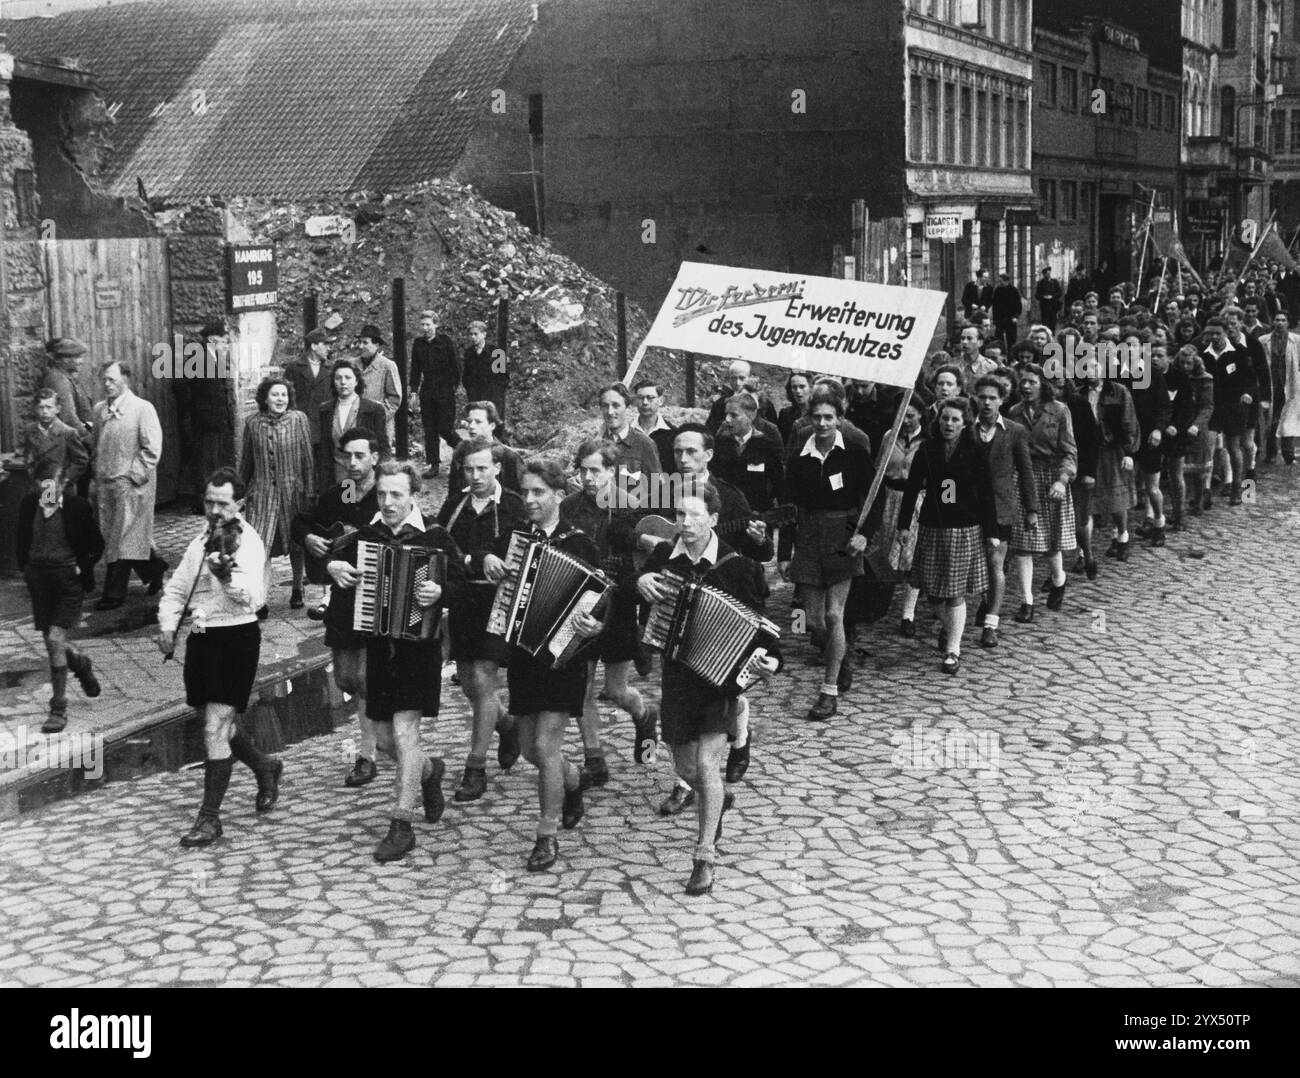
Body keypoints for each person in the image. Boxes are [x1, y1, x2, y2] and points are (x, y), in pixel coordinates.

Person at [637, 479, 779, 895]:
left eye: (692, 515)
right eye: (678, 515)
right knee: (683, 768)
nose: (683, 523)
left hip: (719, 682)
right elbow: (637, 585)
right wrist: (640, 583)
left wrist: (772, 660)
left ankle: (704, 857)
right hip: (678, 674)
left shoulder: (737, 566)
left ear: (713, 519)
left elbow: (762, 628)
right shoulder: (665, 556)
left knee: (705, 765)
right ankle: (713, 803)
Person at [334, 462, 468, 861]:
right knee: (384, 737)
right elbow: (334, 559)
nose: (388, 502)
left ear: (414, 495)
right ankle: (430, 772)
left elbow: (465, 589)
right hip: (378, 648)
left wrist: (440, 592)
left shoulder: (436, 537)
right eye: (382, 494)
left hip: (420, 649)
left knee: (406, 733)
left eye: (396, 494)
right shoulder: (368, 535)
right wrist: (332, 567)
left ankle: (401, 823)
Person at [484, 460, 605, 872]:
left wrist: (593, 627)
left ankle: (545, 834)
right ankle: (572, 783)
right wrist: (487, 560)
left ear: (557, 495)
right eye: (526, 492)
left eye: (539, 493)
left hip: (562, 659)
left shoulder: (581, 544)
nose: (530, 500)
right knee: (533, 750)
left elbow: (603, 605)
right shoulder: (514, 539)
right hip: (523, 654)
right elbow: (483, 560)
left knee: (545, 746)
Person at [157, 467, 280, 848]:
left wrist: (226, 579)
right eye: (209, 502)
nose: (214, 510)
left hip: (237, 638)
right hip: (201, 637)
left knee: (215, 726)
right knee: (210, 720)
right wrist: (166, 623)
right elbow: (178, 589)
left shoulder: (250, 543)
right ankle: (264, 765)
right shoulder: (200, 542)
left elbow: (255, 598)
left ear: (239, 504)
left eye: (222, 503)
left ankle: (209, 819)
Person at [436, 438, 528, 802]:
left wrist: (494, 561)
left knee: (482, 678)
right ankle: (507, 727)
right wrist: (476, 559)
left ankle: (475, 767)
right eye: (468, 469)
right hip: (463, 601)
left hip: (499, 602)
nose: (475, 476)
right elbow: (441, 548)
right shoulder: (453, 506)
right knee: (472, 688)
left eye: (482, 469)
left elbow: (523, 552)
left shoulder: (515, 507)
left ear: (497, 468)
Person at [291, 429, 384, 788]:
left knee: (363, 678)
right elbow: (301, 521)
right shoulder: (341, 493)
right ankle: (382, 731)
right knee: (345, 678)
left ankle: (368, 754)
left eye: (361, 456)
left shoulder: (387, 493)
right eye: (348, 456)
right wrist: (314, 544)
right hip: (343, 596)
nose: (353, 463)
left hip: (378, 594)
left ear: (375, 457)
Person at [562, 440, 658, 782]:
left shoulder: (630, 507)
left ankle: (645, 714)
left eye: (596, 471)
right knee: (583, 687)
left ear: (612, 471)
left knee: (617, 690)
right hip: (581, 606)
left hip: (617, 607)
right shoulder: (569, 507)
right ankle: (595, 760)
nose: (588, 478)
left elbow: (642, 564)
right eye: (583, 470)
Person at [783, 387, 871, 719]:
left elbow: (871, 500)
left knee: (835, 615)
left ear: (839, 418)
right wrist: (783, 551)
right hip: (808, 537)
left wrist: (864, 535)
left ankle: (828, 690)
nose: (822, 423)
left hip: (842, 537)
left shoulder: (854, 454)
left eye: (829, 417)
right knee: (815, 621)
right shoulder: (798, 457)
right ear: (808, 418)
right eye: (816, 417)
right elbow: (789, 506)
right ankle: (841, 653)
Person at [895, 397, 994, 674]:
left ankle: (953, 650)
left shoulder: (975, 451)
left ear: (965, 424)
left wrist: (992, 532)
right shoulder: (928, 449)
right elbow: (912, 487)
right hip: (932, 526)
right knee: (932, 591)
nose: (948, 424)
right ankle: (951, 628)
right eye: (944, 419)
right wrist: (904, 526)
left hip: (963, 529)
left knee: (955, 594)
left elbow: (986, 494)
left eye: (955, 420)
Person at [16, 460, 104, 733]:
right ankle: (79, 662)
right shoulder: (30, 505)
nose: (47, 493)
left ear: (64, 484)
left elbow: (96, 545)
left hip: (67, 582)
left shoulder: (77, 508)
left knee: (55, 639)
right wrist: (27, 569)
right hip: (40, 582)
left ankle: (58, 708)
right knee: (52, 641)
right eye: (42, 487)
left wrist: (81, 567)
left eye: (52, 486)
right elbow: (21, 541)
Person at [91, 361, 167, 610]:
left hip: (132, 484)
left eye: (112, 379)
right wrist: (97, 476)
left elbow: (152, 448)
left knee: (121, 539)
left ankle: (114, 594)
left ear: (126, 379)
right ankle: (155, 567)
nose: (107, 384)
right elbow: (97, 446)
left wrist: (133, 476)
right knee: (115, 535)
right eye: (104, 379)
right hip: (106, 484)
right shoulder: (100, 410)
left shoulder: (142, 408)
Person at [969, 377, 1037, 649]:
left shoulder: (1014, 431)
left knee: (995, 565)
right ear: (975, 398)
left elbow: (1026, 469)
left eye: (992, 398)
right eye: (982, 397)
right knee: (966, 565)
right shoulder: (965, 429)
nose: (986, 402)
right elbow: (948, 474)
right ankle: (955, 620)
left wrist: (1031, 508)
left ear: (1001, 400)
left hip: (1000, 509)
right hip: (968, 509)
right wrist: (947, 501)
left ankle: (990, 623)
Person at [1007, 364, 1077, 620]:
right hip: (1022, 478)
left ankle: (1059, 579)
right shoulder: (1014, 412)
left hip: (1051, 478)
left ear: (1043, 385)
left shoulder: (1059, 410)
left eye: (1031, 382)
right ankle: (1027, 602)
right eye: (1022, 382)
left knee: (1050, 542)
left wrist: (1062, 479)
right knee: (1023, 543)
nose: (1025, 386)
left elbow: (1069, 451)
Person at [240, 376, 316, 611]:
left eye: (284, 394)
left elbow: (307, 458)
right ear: (264, 397)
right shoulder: (252, 423)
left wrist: (310, 491)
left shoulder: (298, 419)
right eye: (275, 394)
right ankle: (260, 597)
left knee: (296, 542)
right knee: (259, 545)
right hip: (262, 493)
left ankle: (297, 587)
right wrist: (239, 493)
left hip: (293, 492)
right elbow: (246, 461)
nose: (280, 399)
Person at [870, 399, 925, 638]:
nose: (906, 421)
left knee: (912, 558)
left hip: (916, 500)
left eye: (911, 416)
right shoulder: (889, 436)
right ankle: (881, 604)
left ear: (921, 415)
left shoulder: (927, 441)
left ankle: (908, 614)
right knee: (886, 553)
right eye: (903, 416)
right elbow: (879, 468)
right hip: (890, 497)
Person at [173, 321, 235, 514]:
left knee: (214, 462)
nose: (225, 345)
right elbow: (179, 384)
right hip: (203, 420)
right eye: (223, 341)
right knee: (204, 463)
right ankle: (202, 503)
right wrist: (194, 409)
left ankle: (212, 500)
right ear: (211, 339)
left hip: (216, 419)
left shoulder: (214, 356)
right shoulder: (197, 355)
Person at [1202, 317, 1259, 507]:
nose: (1215, 337)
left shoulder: (1239, 352)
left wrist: (1246, 394)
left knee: (1234, 447)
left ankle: (1237, 487)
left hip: (1234, 407)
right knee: (1208, 447)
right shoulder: (1204, 354)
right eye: (1211, 333)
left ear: (1226, 332)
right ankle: (1205, 490)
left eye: (1218, 333)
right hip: (1211, 407)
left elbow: (1250, 378)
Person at [1163, 346, 1216, 525]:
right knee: (1177, 471)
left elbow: (1207, 406)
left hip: (1195, 428)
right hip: (1178, 426)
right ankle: (1180, 509)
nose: (1186, 366)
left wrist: (1196, 425)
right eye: (1182, 363)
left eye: (1189, 363)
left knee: (1198, 470)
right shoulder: (1174, 378)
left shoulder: (1204, 379)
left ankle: (1199, 500)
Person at [1127, 348, 1173, 546]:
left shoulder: (1152, 373)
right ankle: (1119, 535)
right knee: (1123, 486)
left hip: (1149, 436)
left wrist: (1158, 430)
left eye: (1134, 345)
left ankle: (1158, 523)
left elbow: (1164, 406)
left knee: (1151, 487)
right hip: (1127, 437)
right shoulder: (1117, 373)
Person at [319, 359, 390, 486]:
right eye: (338, 378)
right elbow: (324, 450)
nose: (343, 382)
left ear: (356, 381)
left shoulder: (373, 409)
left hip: (367, 476)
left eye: (348, 377)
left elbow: (383, 447)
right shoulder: (326, 409)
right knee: (346, 503)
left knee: (363, 504)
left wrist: (381, 475)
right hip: (338, 475)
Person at [408, 310, 461, 477]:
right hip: (428, 391)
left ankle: (464, 452)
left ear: (436, 325)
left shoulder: (445, 342)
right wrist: (414, 392)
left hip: (445, 391)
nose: (425, 328)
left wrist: (453, 387)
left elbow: (456, 366)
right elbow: (415, 370)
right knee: (429, 429)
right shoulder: (418, 344)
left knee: (445, 428)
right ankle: (433, 464)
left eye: (428, 324)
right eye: (422, 325)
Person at [712, 392, 784, 512]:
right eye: (726, 415)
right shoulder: (719, 445)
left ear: (751, 415)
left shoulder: (767, 446)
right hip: (725, 514)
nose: (727, 420)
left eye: (733, 415)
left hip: (756, 514)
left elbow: (779, 485)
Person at [598, 382, 663, 505]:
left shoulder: (645, 444)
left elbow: (657, 491)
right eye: (605, 406)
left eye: (616, 405)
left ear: (627, 407)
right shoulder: (596, 444)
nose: (610, 412)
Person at [448, 401, 524, 494]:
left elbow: (522, 497)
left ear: (492, 425)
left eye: (478, 422)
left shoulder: (510, 457)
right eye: (469, 422)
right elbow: (453, 495)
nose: (471, 426)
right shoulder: (461, 454)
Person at [282, 328, 337, 458]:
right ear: (313, 346)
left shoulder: (332, 368)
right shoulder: (294, 368)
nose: (329, 348)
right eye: (325, 344)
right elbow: (287, 398)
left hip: (325, 429)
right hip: (300, 429)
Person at [24, 389, 89, 494]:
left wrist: (65, 479)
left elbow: (81, 461)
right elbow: (28, 456)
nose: (45, 411)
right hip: (38, 487)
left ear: (57, 409)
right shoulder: (30, 430)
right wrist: (33, 477)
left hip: (61, 489)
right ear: (35, 409)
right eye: (41, 407)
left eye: (49, 407)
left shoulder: (68, 432)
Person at [355, 325, 402, 447]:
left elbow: (394, 399)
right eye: (360, 342)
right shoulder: (352, 365)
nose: (360, 346)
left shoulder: (387, 366)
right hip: (355, 424)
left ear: (376, 345)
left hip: (380, 427)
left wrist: (378, 418)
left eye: (365, 343)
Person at [705, 360, 779, 435]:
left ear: (749, 378)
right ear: (729, 379)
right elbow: (709, 431)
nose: (737, 382)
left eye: (742, 378)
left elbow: (773, 430)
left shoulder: (764, 403)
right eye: (733, 378)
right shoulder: (720, 404)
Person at [1264, 311, 1299, 463]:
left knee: (1289, 418)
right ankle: (1270, 453)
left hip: (1290, 384)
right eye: (1277, 320)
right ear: (1273, 322)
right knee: (1270, 418)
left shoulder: (1296, 340)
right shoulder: (1264, 340)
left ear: (1288, 323)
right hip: (1271, 385)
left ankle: (1288, 453)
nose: (1279, 323)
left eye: (1283, 320)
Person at [461, 319, 508, 422]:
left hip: (492, 398)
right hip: (475, 397)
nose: (473, 337)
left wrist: (495, 397)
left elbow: (503, 379)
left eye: (475, 334)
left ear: (484, 334)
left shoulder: (496, 352)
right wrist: (471, 392)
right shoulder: (469, 353)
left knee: (493, 425)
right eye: (471, 334)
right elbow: (466, 377)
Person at [631, 377, 677, 473]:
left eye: (650, 398)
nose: (645, 402)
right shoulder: (626, 432)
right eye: (640, 398)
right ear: (635, 401)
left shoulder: (672, 433)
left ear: (660, 400)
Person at [777, 371, 812, 444]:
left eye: (802, 386)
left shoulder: (819, 414)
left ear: (811, 388)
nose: (798, 391)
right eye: (794, 387)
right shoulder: (785, 414)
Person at [991, 272, 1023, 347]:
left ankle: (1010, 356)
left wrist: (1015, 316)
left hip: (1011, 319)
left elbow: (1018, 305)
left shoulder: (1014, 291)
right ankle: (1001, 353)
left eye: (1001, 281)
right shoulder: (997, 290)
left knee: (1011, 339)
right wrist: (995, 319)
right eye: (999, 281)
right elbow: (995, 306)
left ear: (1007, 281)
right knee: (998, 338)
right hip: (1000, 319)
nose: (999, 283)